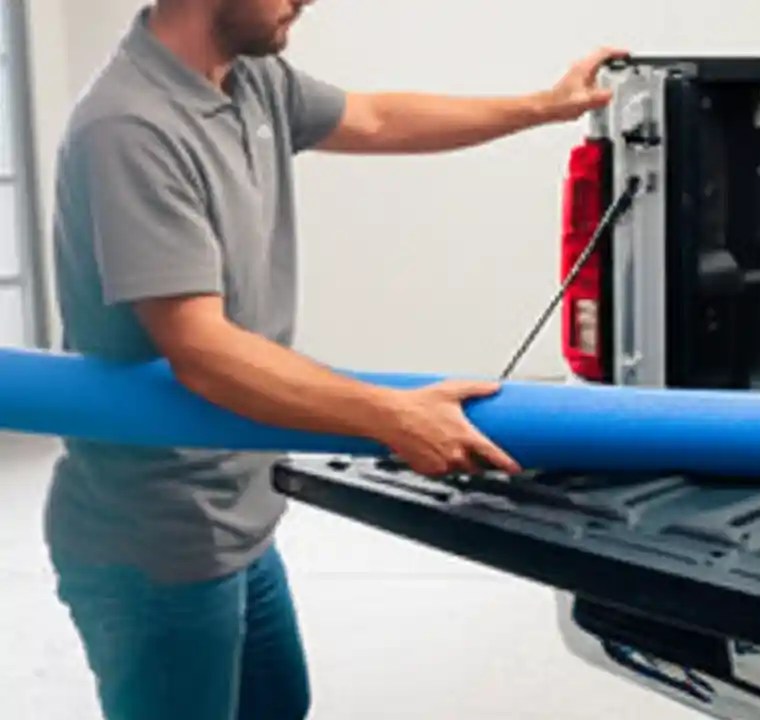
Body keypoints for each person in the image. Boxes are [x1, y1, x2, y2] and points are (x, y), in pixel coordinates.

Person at [44, 1, 625, 718]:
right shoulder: (129, 127)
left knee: (281, 705)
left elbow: (378, 118)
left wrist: (545, 106)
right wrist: (391, 416)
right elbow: (202, 349)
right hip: (155, 542)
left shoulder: (251, 78)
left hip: (237, 512)